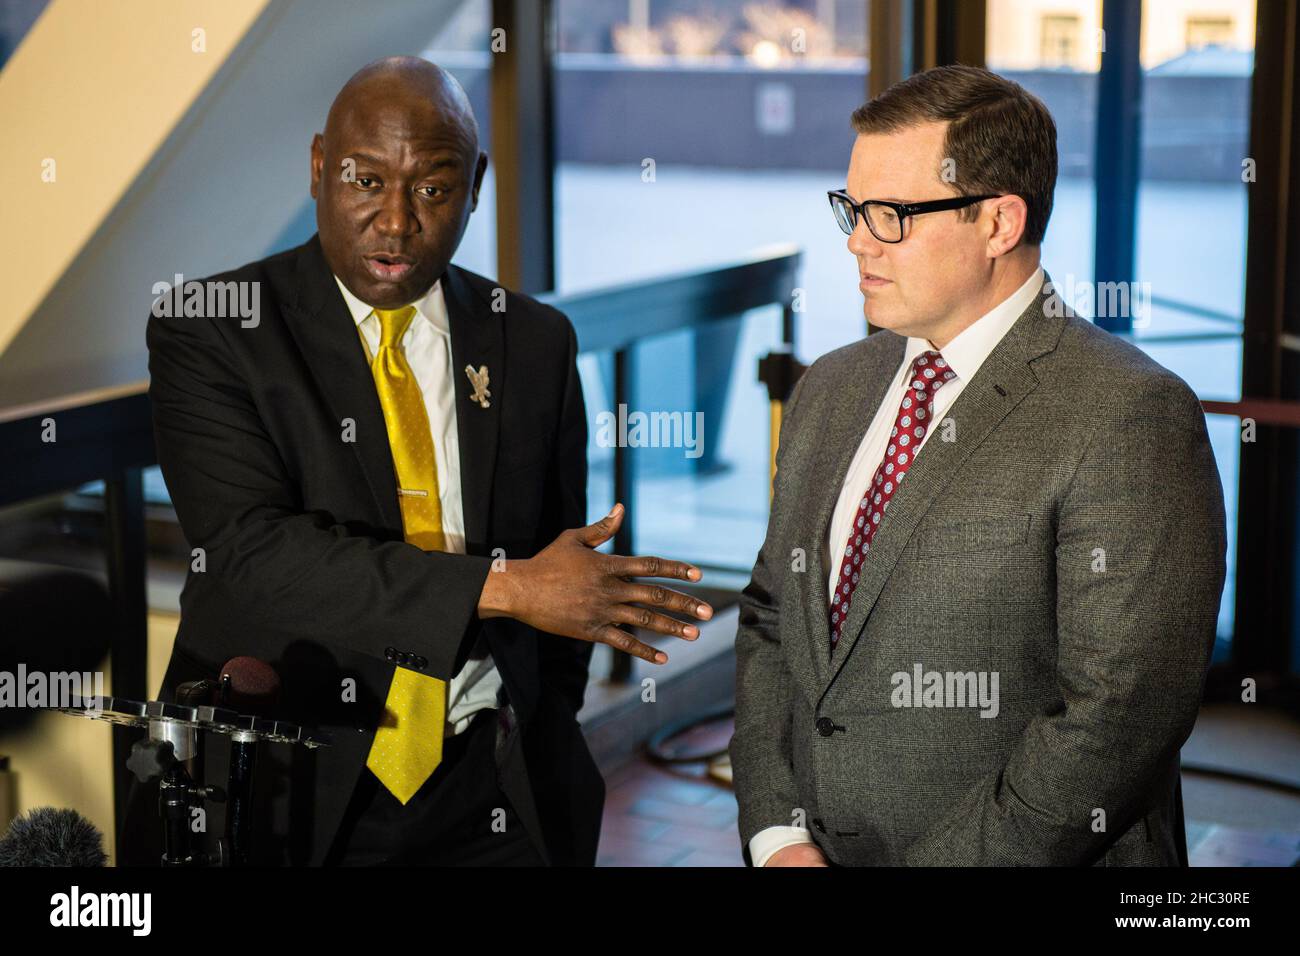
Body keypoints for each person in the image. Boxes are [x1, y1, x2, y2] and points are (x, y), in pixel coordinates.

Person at [123, 56, 712, 867]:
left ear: (475, 184)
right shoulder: (213, 329)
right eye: (366, 181)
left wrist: (540, 720)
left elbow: (558, 562)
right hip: (290, 782)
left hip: (490, 782)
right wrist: (510, 591)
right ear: (319, 167)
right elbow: (254, 555)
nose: (395, 222)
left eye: (432, 189)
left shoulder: (533, 341)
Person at [730, 64, 1226, 867]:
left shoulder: (1131, 412)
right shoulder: (831, 387)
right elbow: (770, 620)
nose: (858, 240)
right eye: (853, 209)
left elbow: (1119, 717)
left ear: (999, 222)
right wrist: (779, 835)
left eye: (890, 214)